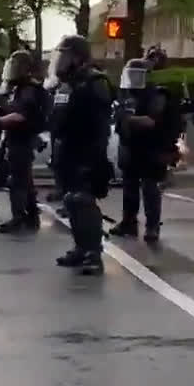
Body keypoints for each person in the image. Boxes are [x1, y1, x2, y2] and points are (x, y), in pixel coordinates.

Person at [48, 35, 113, 276]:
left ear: (78, 57)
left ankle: (93, 253)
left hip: (86, 151)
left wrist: (92, 157)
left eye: (66, 55)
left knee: (84, 201)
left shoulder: (94, 81)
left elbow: (98, 124)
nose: (61, 61)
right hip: (66, 150)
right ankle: (80, 247)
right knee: (70, 201)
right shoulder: (67, 84)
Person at [110, 58, 181, 245]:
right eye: (129, 74)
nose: (132, 79)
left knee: (150, 188)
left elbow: (151, 121)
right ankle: (128, 223)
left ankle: (152, 227)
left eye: (136, 75)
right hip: (131, 147)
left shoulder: (157, 95)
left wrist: (128, 119)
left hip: (152, 148)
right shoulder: (125, 95)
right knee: (129, 188)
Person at [0, 50, 47, 234]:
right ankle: (30, 215)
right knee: (24, 179)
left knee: (17, 180)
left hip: (21, 139)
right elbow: (8, 107)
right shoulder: (19, 89)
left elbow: (21, 115)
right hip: (17, 139)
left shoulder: (28, 89)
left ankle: (19, 217)